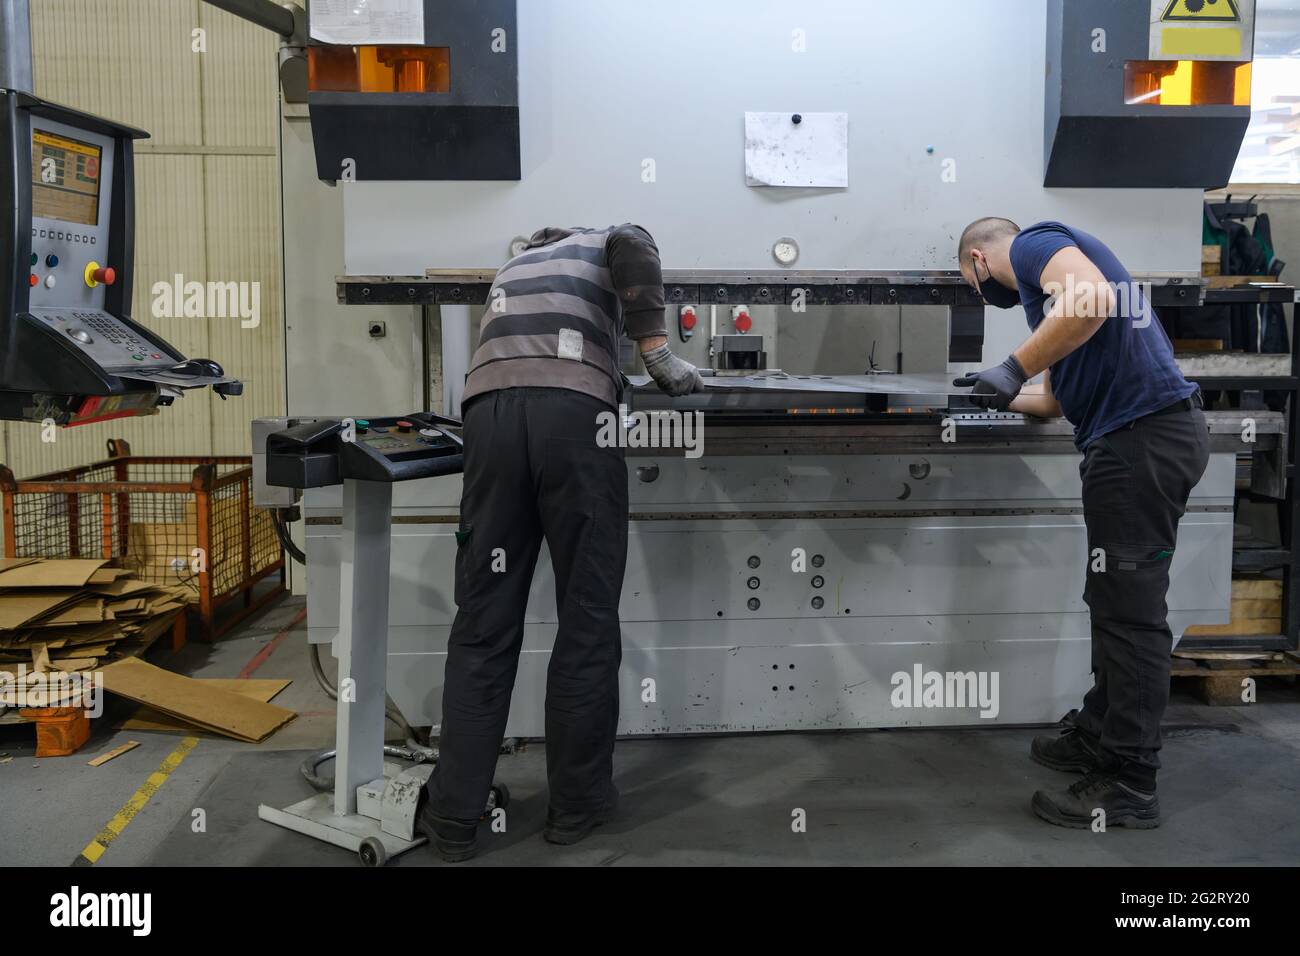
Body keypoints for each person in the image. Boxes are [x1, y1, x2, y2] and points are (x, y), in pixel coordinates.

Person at [419, 225, 703, 861]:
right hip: (575, 419)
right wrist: (656, 353)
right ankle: (576, 808)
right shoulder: (605, 240)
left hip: (488, 422)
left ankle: (454, 820)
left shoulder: (513, 266)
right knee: (586, 618)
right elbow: (636, 243)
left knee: (482, 626)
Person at [954, 218, 1209, 829]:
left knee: (1131, 615)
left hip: (1141, 441)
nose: (978, 292)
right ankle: (1100, 732)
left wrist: (1011, 367)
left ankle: (1130, 781)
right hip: (1132, 441)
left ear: (978, 260)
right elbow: (1054, 403)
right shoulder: (1049, 301)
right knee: (1110, 598)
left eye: (968, 282)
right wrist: (991, 390)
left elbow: (1092, 301)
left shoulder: (1035, 243)